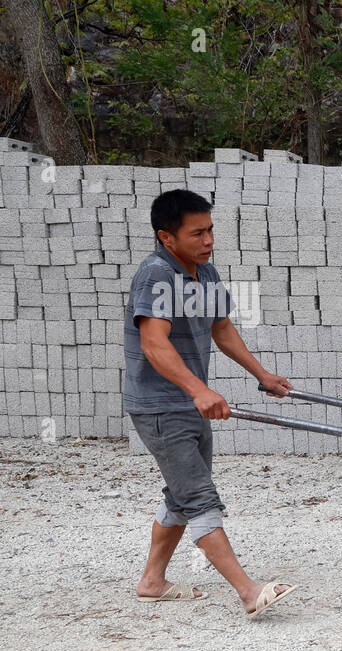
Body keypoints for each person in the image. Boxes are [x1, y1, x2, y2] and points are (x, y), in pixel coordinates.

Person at [124, 188, 296, 619]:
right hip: (161, 404)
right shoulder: (156, 275)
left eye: (210, 230)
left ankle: (152, 581)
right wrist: (198, 389)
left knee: (182, 495)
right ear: (167, 237)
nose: (208, 240)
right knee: (200, 496)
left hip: (189, 402)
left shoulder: (205, 272)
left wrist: (261, 374)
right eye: (197, 233)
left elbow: (221, 330)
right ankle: (247, 591)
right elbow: (153, 343)